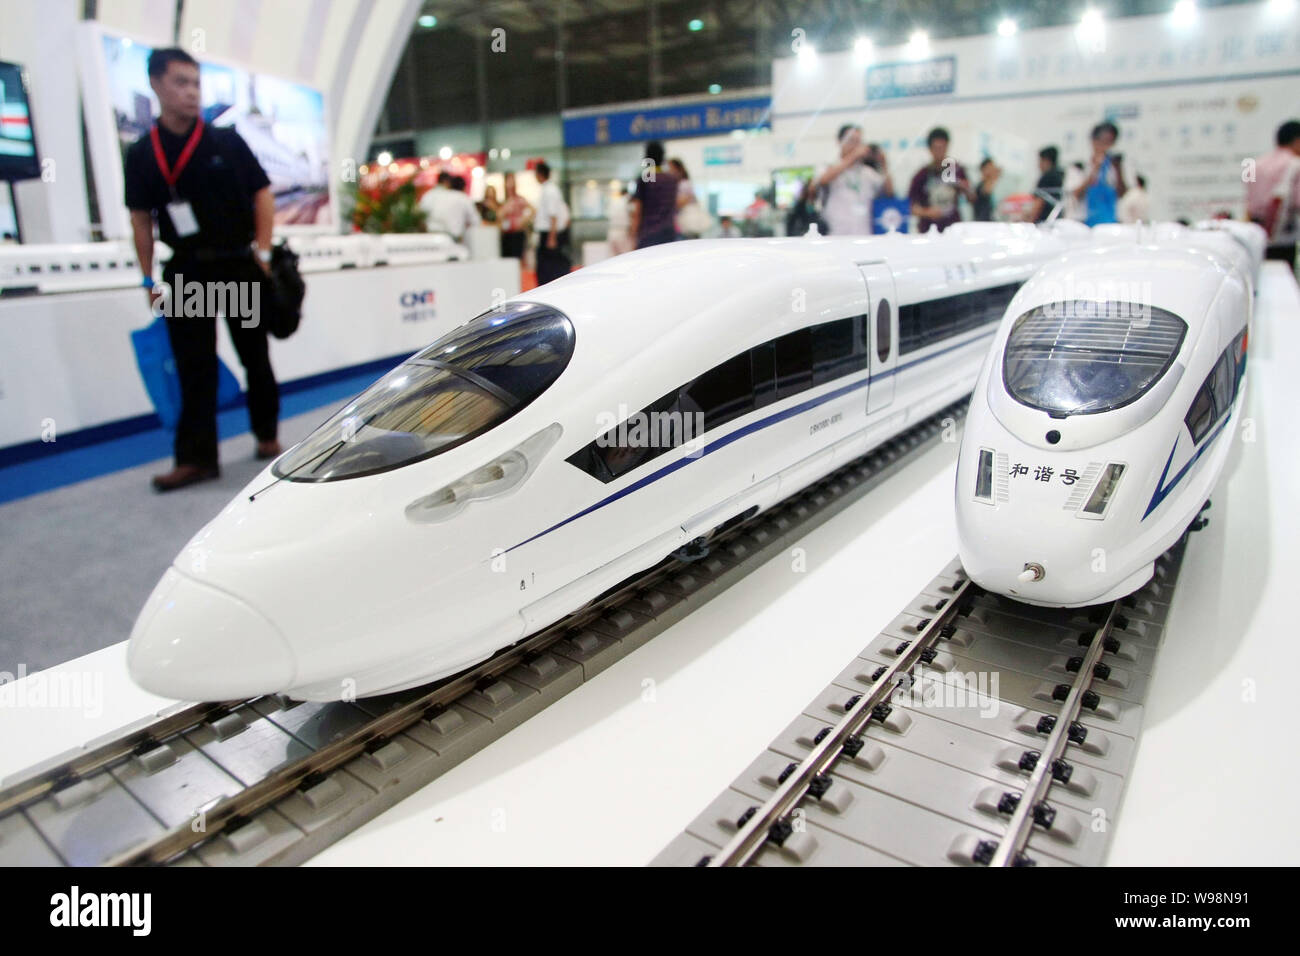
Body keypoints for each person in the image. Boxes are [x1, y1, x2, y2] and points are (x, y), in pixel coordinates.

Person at [123, 47, 279, 492]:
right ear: (156, 84)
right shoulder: (142, 153)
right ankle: (196, 459)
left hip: (236, 265)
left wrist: (263, 254)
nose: (191, 92)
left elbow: (263, 194)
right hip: (188, 272)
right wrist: (148, 277)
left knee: (254, 356)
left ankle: (267, 435)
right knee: (194, 369)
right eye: (180, 82)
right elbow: (140, 219)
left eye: (195, 83)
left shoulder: (226, 141)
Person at [815, 124, 892, 236]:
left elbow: (889, 192)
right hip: (836, 234)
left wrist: (884, 165)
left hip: (864, 234)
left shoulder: (867, 172)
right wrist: (853, 156)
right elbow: (823, 180)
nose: (856, 146)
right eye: (851, 140)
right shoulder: (828, 166)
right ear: (839, 142)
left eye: (858, 142)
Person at [1246, 119, 1300, 263]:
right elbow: (1297, 202)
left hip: (1257, 233)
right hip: (1283, 235)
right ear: (1296, 140)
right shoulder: (1294, 164)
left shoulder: (1256, 164)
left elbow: (1250, 201)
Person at [908, 126, 973, 233]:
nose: (939, 152)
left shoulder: (956, 169)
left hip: (953, 229)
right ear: (930, 149)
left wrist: (964, 187)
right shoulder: (922, 175)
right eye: (936, 148)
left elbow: (972, 198)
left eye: (942, 148)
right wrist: (927, 212)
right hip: (928, 230)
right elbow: (910, 206)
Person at [1074, 120, 1127, 226]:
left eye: (1111, 142)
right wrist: (1095, 170)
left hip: (1112, 223)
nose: (1107, 146)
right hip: (1084, 222)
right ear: (1094, 141)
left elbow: (1123, 194)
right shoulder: (1080, 165)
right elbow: (1075, 194)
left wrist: (1118, 170)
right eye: (1104, 141)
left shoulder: (1117, 166)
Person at [629, 140, 679, 248]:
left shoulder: (644, 179)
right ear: (663, 157)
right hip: (669, 233)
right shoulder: (672, 180)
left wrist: (633, 234)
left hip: (648, 234)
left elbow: (638, 211)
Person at [533, 160, 571, 285]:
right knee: (548, 268)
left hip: (549, 233)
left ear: (540, 174)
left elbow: (553, 215)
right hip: (550, 233)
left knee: (549, 270)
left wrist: (552, 237)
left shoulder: (550, 190)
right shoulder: (549, 189)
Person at [418, 171, 479, 241]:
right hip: (452, 239)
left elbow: (421, 218)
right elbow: (475, 221)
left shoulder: (428, 195)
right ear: (447, 182)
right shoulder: (461, 197)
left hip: (430, 237)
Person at [669, 158, 710, 238]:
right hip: (684, 224)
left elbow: (681, 202)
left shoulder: (684, 184)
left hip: (688, 223)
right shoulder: (682, 184)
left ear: (678, 169)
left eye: (671, 168)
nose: (669, 172)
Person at [498, 172, 533, 259]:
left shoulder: (520, 199)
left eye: (512, 181)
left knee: (518, 258)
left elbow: (533, 210)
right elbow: (499, 216)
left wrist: (524, 220)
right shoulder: (504, 201)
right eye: (508, 181)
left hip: (518, 233)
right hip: (506, 234)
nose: (510, 184)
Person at [1030, 146, 1065, 223]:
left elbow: (1039, 203)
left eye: (1040, 161)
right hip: (1056, 220)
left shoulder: (1047, 177)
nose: (1038, 165)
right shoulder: (1060, 176)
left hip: (1043, 222)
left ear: (1047, 161)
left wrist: (1029, 222)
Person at [607, 184, 633, 256]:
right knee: (626, 256)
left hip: (612, 231)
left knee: (613, 257)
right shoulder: (627, 201)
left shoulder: (614, 201)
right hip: (623, 231)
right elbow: (632, 215)